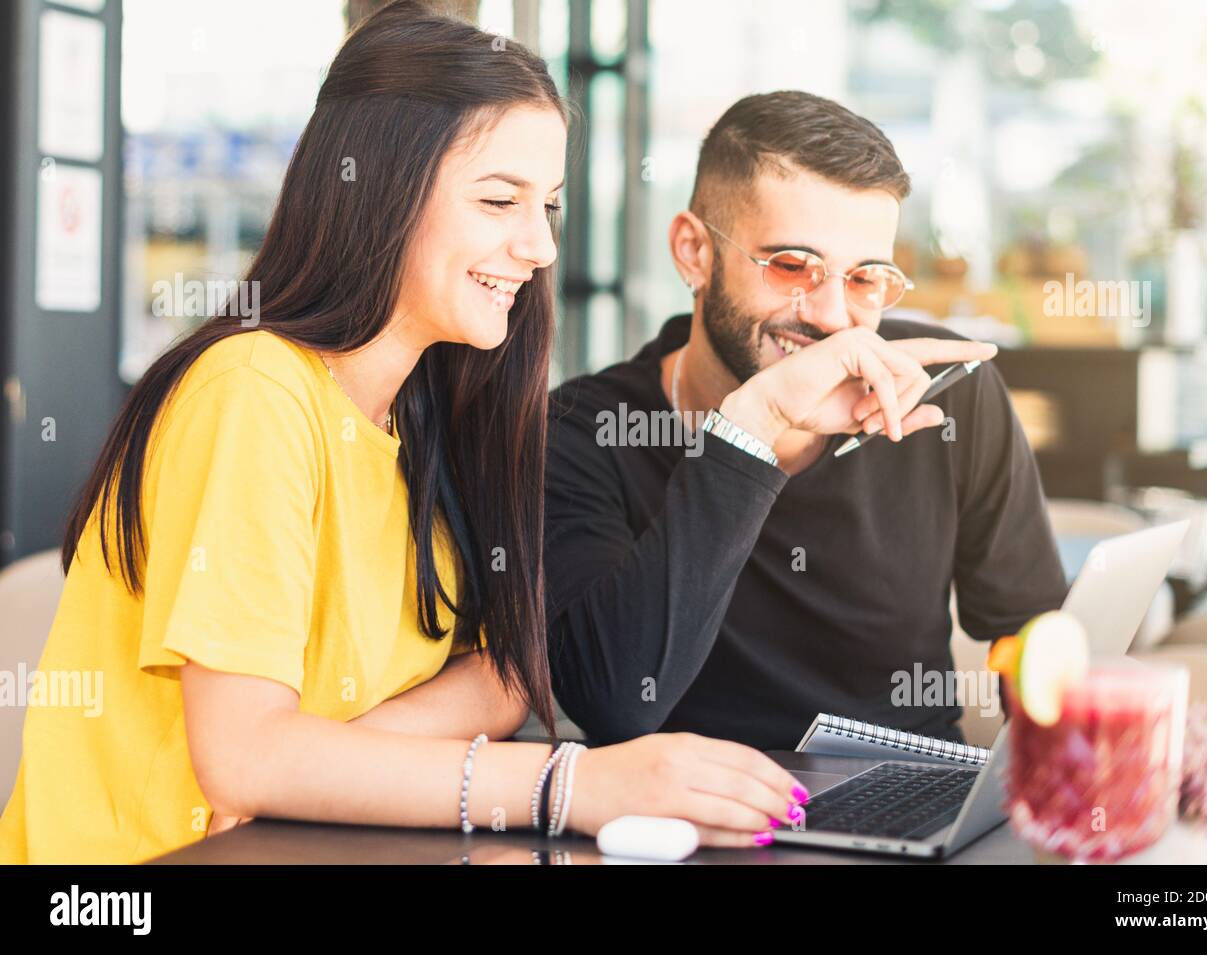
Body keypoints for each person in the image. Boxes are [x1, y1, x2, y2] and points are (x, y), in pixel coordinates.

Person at [0, 2, 806, 864]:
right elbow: (240, 758)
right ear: (379, 186)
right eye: (500, 199)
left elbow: (503, 674)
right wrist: (569, 785)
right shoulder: (253, 392)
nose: (537, 245)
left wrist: (318, 759)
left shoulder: (431, 405)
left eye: (550, 207)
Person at [545, 91, 1068, 750]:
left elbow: (1026, 629)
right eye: (793, 266)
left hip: (918, 808)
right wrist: (754, 425)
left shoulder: (946, 393)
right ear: (693, 251)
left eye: (864, 279)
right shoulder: (582, 433)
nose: (830, 316)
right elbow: (614, 701)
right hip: (701, 827)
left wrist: (1102, 724)